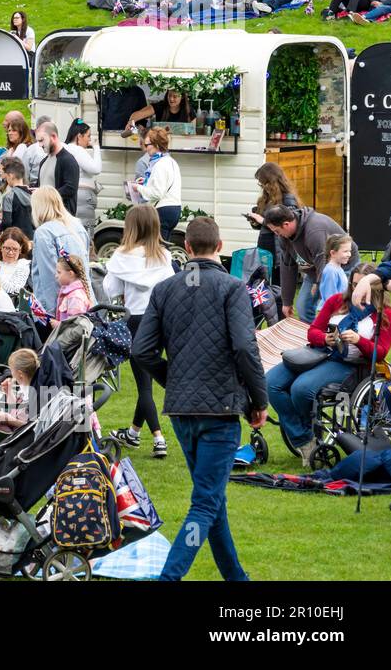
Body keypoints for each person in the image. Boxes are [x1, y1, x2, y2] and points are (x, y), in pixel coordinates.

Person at [131, 216, 267, 582]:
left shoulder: (165, 289)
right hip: (219, 411)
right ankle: (169, 578)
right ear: (219, 247)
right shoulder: (231, 288)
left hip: (182, 410)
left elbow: (141, 352)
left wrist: (170, 378)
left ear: (187, 248)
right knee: (205, 503)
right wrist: (259, 400)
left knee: (212, 500)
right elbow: (244, 346)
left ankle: (236, 578)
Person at [268, 262, 391, 467]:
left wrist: (358, 340)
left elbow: (380, 353)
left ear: (375, 287)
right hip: (318, 353)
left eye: (362, 285)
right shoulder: (337, 301)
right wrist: (326, 338)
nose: (356, 290)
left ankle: (303, 438)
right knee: (271, 382)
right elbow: (313, 331)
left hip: (349, 364)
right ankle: (304, 439)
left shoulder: (386, 314)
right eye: (353, 284)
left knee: (301, 388)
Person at [101, 204, 174, 458]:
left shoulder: (122, 256)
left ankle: (158, 437)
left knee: (144, 384)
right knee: (148, 379)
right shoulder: (164, 255)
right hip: (161, 321)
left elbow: (110, 290)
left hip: (136, 321)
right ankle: (133, 433)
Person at [264, 204, 356, 323]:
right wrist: (287, 302)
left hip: (342, 264)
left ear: (286, 224)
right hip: (316, 269)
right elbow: (287, 267)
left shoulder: (314, 230)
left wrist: (318, 284)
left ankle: (340, 335)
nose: (277, 234)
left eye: (277, 231)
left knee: (335, 306)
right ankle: (314, 336)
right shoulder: (284, 237)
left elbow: (324, 259)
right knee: (303, 307)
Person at [29, 186, 91, 318]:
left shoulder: (44, 233)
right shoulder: (78, 227)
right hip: (83, 301)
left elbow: (49, 277)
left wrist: (53, 314)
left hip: (59, 309)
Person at [134, 127, 182, 242]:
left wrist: (138, 188)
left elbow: (157, 193)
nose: (145, 149)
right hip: (175, 208)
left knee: (157, 251)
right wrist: (145, 182)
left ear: (156, 144)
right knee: (163, 248)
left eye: (147, 145)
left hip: (163, 210)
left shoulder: (159, 164)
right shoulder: (170, 161)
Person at [246, 161, 300, 258]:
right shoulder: (267, 199)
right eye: (261, 184)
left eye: (264, 183)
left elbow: (288, 226)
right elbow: (265, 227)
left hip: (278, 250)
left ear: (272, 182)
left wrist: (262, 220)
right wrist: (255, 222)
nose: (262, 187)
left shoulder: (287, 199)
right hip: (264, 248)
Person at [64, 119, 101, 236]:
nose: (89, 140)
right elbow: (96, 169)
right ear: (79, 136)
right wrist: (96, 148)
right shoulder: (77, 150)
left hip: (75, 197)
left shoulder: (66, 149)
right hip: (82, 199)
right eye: (88, 136)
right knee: (84, 235)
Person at [33, 121, 80, 213]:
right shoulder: (44, 161)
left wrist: (44, 194)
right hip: (43, 216)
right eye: (38, 141)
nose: (40, 145)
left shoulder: (68, 160)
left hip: (61, 218)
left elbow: (70, 189)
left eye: (42, 140)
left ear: (53, 137)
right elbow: (40, 186)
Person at [0, 227, 32, 305]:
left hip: (8, 304)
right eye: (7, 248)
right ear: (1, 246)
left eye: (15, 249)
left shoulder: (23, 264)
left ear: (21, 248)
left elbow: (14, 289)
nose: (11, 252)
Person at [318, 234, 354, 305]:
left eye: (349, 251)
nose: (349, 254)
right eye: (345, 251)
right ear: (333, 253)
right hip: (333, 311)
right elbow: (330, 296)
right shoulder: (331, 271)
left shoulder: (337, 268)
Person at [54, 255, 92, 321]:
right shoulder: (70, 293)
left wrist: (57, 325)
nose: (56, 276)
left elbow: (75, 325)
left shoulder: (75, 297)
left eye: (59, 272)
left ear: (70, 274)